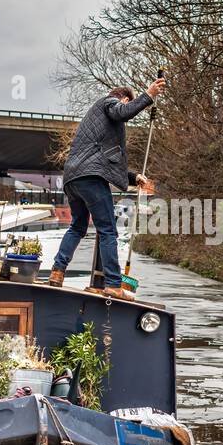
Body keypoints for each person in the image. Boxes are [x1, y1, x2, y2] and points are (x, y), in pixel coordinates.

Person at [49, 77, 166, 298]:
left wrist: (133, 178)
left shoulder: (96, 124)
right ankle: (113, 284)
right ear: (123, 98)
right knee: (108, 230)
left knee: (77, 227)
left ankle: (57, 272)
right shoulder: (109, 103)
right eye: (126, 103)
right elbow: (122, 112)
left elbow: (104, 160)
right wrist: (149, 95)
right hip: (91, 178)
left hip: (73, 178)